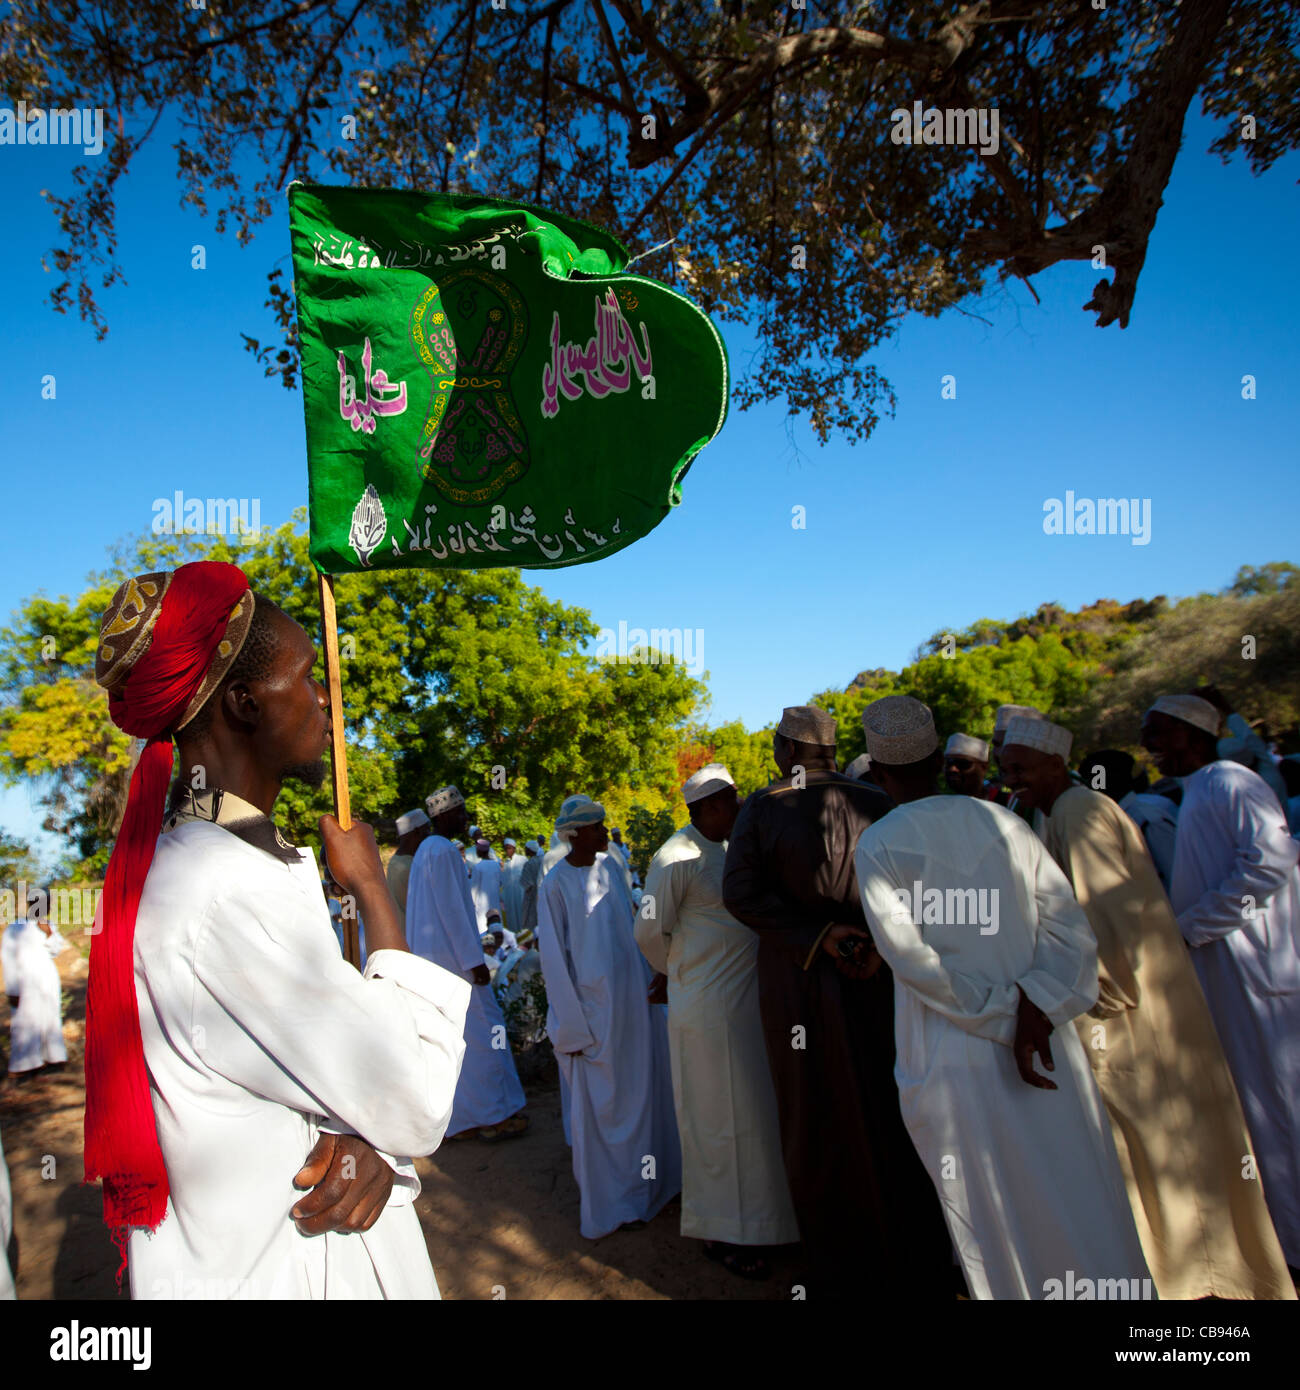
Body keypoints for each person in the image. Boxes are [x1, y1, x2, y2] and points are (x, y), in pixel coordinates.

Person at [86, 563, 473, 1299]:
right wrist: (370, 886)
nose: (326, 698)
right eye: (306, 678)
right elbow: (415, 1093)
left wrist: (364, 1133)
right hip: (278, 1265)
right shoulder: (218, 890)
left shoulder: (227, 861)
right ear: (244, 703)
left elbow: (327, 1080)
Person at [854, 697, 1149, 1300]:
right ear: (939, 759)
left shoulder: (879, 843)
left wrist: (1004, 1016)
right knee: (1078, 1189)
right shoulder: (1009, 824)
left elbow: (912, 961)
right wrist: (1032, 1009)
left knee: (998, 1218)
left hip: (955, 1052)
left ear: (879, 775)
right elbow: (1072, 935)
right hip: (1045, 1044)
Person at [1003, 717, 1295, 1300]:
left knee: (1165, 1154)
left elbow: (1108, 927)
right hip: (1127, 1008)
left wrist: (1079, 1006)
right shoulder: (1058, 811)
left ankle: (1198, 1291)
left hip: (1128, 1015)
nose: (1011, 781)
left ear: (1057, 764)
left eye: (1020, 769)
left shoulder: (1079, 813)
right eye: (1006, 770)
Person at [722, 705, 951, 1301]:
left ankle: (841, 1272)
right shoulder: (878, 799)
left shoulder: (764, 806)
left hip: (799, 985)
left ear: (785, 751)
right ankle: (917, 1260)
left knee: (813, 1118)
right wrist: (871, 939)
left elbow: (740, 894)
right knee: (890, 1109)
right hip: (879, 976)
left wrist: (818, 937)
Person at [1142, 692, 1300, 1269]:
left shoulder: (1230, 779)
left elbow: (1270, 860)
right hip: (1231, 973)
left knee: (1283, 1106)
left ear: (1191, 731)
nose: (1149, 746)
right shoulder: (1201, 788)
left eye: (1157, 731)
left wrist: (1190, 929)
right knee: (1263, 1110)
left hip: (1260, 973)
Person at [638, 764, 798, 1280]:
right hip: (705, 1011)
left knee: (753, 1116)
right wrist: (677, 973)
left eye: (737, 798)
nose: (738, 806)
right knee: (715, 1121)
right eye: (729, 800)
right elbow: (648, 932)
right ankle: (721, 1231)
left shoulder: (733, 847)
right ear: (703, 808)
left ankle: (766, 1223)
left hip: (747, 1007)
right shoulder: (674, 857)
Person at [537, 795, 681, 1238]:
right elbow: (554, 961)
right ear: (576, 834)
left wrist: (655, 974)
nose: (605, 833)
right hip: (594, 1016)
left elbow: (633, 929)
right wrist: (573, 1025)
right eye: (597, 827)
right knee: (608, 1106)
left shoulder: (612, 868)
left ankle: (652, 1187)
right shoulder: (555, 883)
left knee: (644, 1093)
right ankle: (616, 1204)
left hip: (634, 1005)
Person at [407, 787, 529, 1143]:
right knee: (484, 1036)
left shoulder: (425, 852)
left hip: (437, 964)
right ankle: (492, 1117)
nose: (465, 819)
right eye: (459, 813)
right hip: (456, 966)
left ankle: (461, 1121)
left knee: (455, 1043)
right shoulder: (442, 850)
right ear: (443, 816)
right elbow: (454, 912)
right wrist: (474, 962)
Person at [1077, 750, 1179, 892]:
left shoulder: (1147, 820)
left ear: (1115, 778)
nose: (1091, 787)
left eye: (1095, 780)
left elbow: (1176, 875)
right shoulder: (1111, 818)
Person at [3, 906, 67, 1077]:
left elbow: (55, 950)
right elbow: (8, 959)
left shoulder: (48, 924)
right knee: (25, 1023)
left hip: (48, 981)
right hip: (25, 983)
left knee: (50, 1020)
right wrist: (12, 989)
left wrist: (49, 933)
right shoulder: (15, 927)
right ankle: (22, 1067)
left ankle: (53, 1059)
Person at [386, 809, 430, 920]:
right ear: (417, 831)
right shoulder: (410, 867)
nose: (429, 835)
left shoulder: (395, 862)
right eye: (427, 830)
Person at [469, 838, 504, 934]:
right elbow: (501, 883)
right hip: (495, 902)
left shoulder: (478, 867)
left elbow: (474, 889)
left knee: (483, 930)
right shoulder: (496, 865)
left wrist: (472, 903)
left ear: (479, 851)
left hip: (481, 905)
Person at [942, 732, 990, 797]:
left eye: (962, 763)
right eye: (948, 762)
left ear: (984, 767)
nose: (953, 769)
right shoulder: (935, 803)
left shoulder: (1003, 802)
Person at [518, 840, 544, 936]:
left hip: (532, 899)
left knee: (530, 924)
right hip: (543, 897)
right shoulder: (543, 860)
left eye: (526, 848)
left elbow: (527, 885)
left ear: (529, 849)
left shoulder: (529, 864)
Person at [500, 838, 525, 933]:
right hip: (510, 897)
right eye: (506, 848)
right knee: (512, 919)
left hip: (521, 895)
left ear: (514, 848)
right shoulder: (505, 864)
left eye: (509, 848)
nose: (508, 851)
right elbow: (504, 882)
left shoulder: (522, 860)